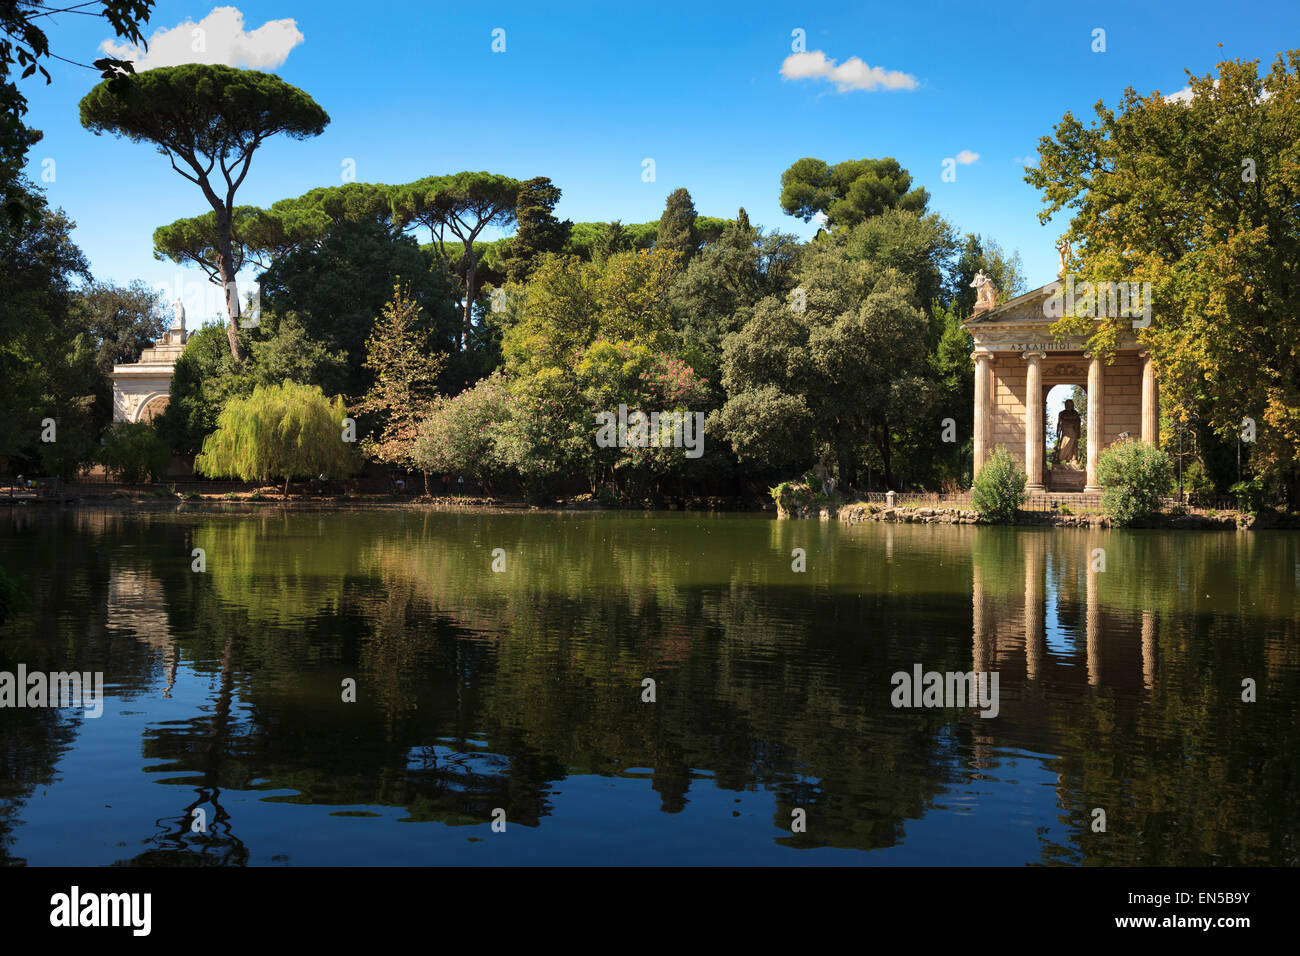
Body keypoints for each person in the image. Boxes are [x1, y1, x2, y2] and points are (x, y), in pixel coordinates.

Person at [1056, 399, 1082, 464]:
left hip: (1073, 430)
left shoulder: (1075, 413)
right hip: (1065, 431)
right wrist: (1057, 430)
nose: (1069, 405)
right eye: (1067, 404)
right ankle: (1060, 458)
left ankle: (1072, 458)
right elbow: (1059, 423)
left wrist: (1078, 432)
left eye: (1070, 404)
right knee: (1063, 444)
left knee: (1073, 444)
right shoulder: (1062, 413)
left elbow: (1078, 422)